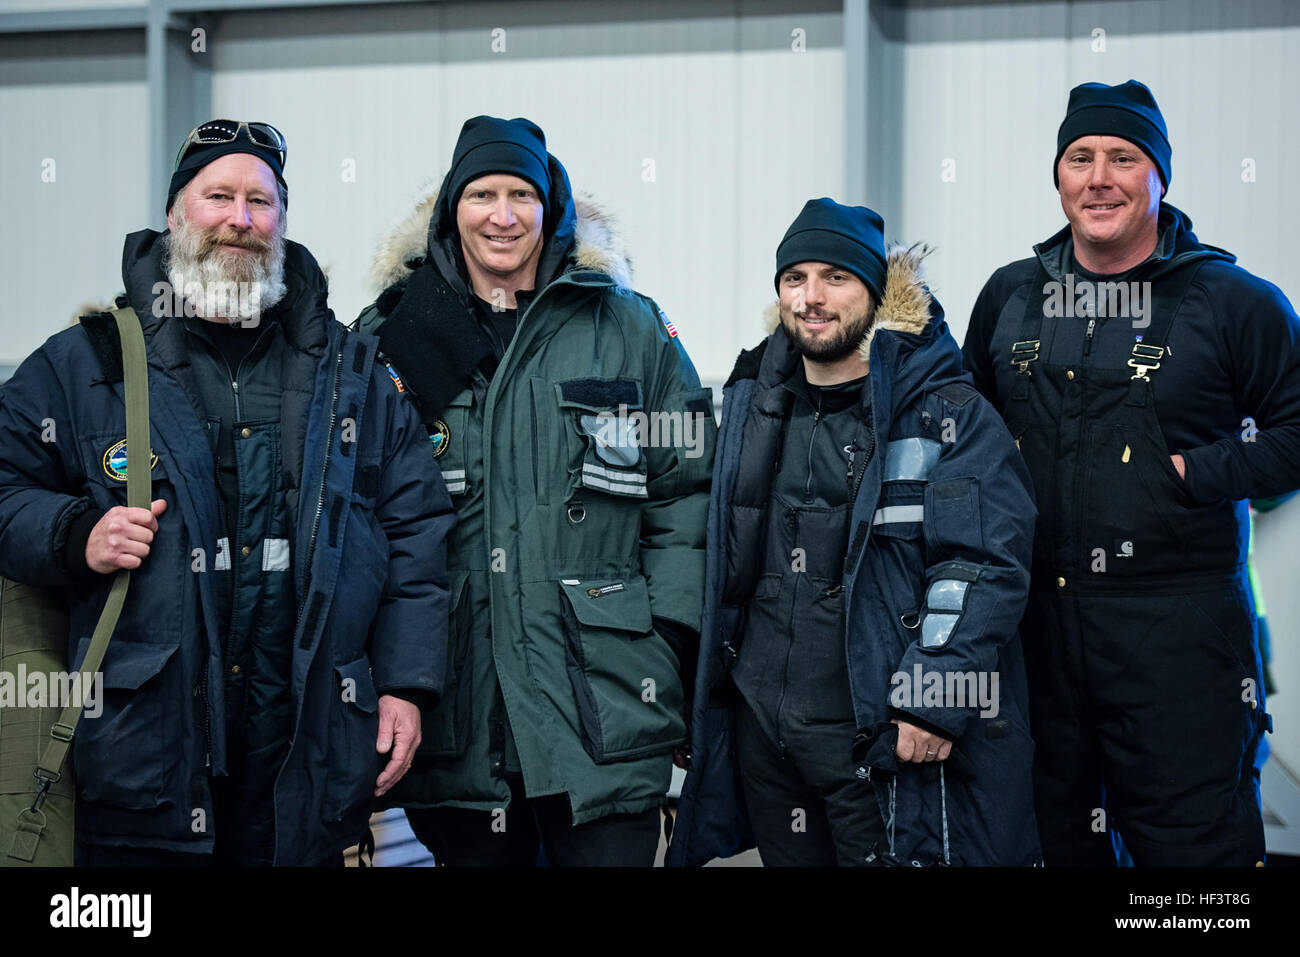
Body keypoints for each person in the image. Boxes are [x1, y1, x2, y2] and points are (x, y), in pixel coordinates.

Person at [0, 119, 453, 865]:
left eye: (260, 201)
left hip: (306, 769)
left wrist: (406, 682)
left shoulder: (352, 372)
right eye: (219, 195)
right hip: (141, 762)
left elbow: (416, 527)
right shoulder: (89, 363)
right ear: (178, 213)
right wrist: (75, 533)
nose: (240, 220)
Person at [355, 116, 714, 866]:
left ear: (550, 209)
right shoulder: (393, 336)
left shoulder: (626, 327)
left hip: (606, 704)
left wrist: (668, 644)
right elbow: (364, 518)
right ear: (453, 207)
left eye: (522, 193)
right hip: (460, 709)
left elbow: (686, 495)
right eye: (482, 192)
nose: (503, 214)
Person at [963, 80, 1300, 866]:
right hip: (1036, 636)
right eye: (1079, 157)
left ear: (1159, 177)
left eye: (1123, 156)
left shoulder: (1235, 301)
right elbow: (961, 430)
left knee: (1193, 861)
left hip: (1179, 638)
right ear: (1059, 178)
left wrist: (1192, 471)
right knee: (1050, 843)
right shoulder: (1012, 296)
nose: (1099, 176)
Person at [669, 199, 1040, 866]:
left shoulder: (947, 414)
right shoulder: (755, 402)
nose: (812, 297)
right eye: (795, 277)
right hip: (769, 739)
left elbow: (982, 566)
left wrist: (932, 695)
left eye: (836, 277)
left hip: (876, 741)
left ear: (877, 291)